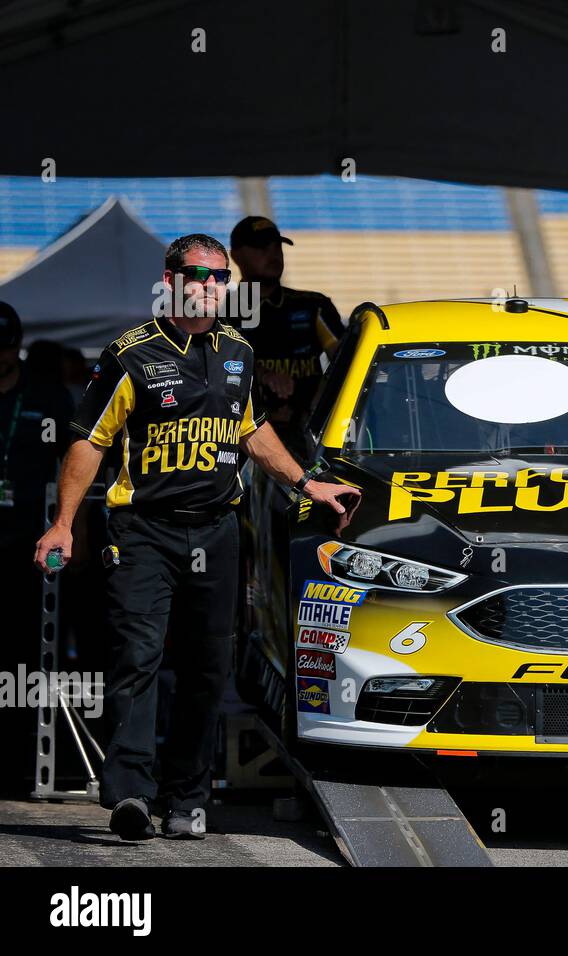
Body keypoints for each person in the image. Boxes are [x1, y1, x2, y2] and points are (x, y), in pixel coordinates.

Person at [33, 234, 359, 841]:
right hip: (142, 534)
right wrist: (63, 523)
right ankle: (130, 792)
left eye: (220, 277)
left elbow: (252, 430)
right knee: (138, 657)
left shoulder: (236, 349)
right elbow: (87, 439)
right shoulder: (129, 353)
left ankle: (187, 797)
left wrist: (306, 483)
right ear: (171, 278)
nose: (211, 285)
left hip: (217, 531)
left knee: (208, 668)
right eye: (199, 274)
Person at [0, 306, 75, 789]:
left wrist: (70, 528)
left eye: (4, 345)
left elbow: (75, 461)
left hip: (30, 546)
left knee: (26, 655)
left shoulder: (47, 397)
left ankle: (19, 760)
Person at [229, 216, 345, 458]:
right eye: (262, 247)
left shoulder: (314, 305)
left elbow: (345, 363)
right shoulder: (220, 311)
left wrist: (319, 401)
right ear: (236, 256)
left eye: (277, 247)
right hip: (242, 438)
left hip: (309, 434)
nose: (273, 254)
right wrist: (262, 375)